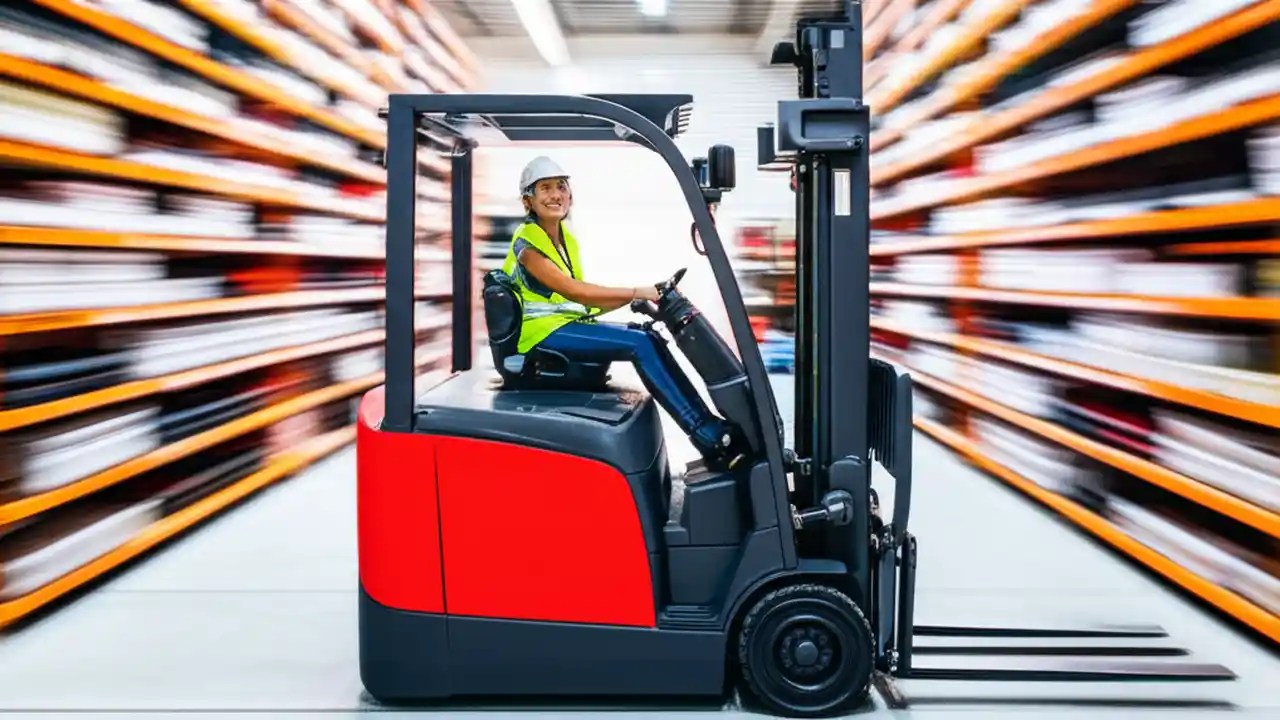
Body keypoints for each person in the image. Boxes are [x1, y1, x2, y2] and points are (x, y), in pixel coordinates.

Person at [501, 156, 746, 470]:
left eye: (561, 187)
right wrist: (638, 291)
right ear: (528, 201)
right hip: (539, 336)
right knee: (640, 344)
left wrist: (638, 301)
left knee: (645, 336)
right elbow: (575, 291)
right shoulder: (528, 245)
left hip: (561, 326)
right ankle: (708, 435)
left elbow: (583, 304)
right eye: (545, 188)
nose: (556, 195)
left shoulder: (565, 239)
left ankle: (708, 426)